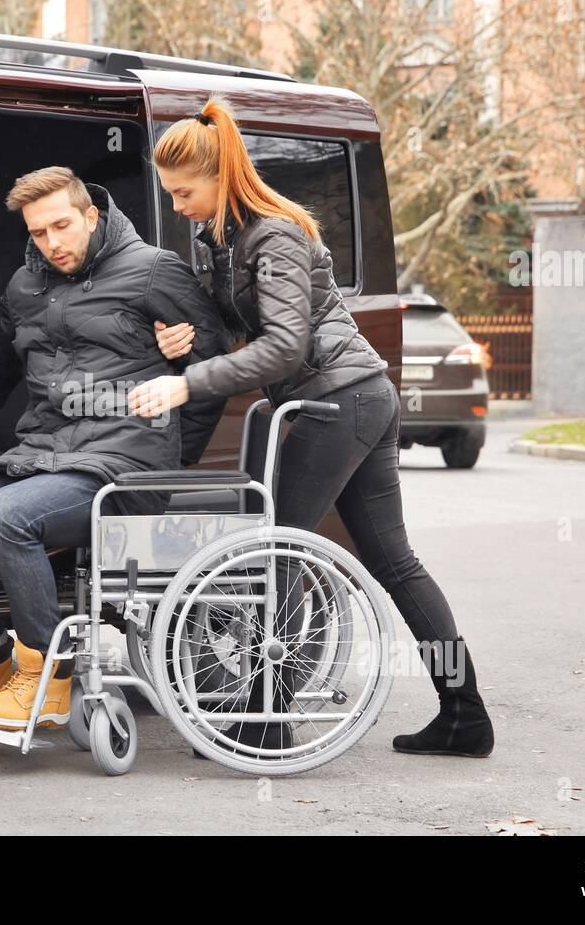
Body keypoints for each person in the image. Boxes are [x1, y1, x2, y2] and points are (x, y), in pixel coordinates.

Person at [127, 95, 495, 757]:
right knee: (390, 560)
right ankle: (464, 715)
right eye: (171, 194)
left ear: (219, 175)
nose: (177, 206)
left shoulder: (275, 235)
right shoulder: (221, 236)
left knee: (277, 552)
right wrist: (184, 348)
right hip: (349, 398)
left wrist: (186, 381)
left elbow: (286, 347)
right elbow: (228, 340)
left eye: (184, 192)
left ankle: (268, 718)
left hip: (340, 400)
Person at [0, 166, 229, 731]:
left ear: (91, 215)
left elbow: (210, 364)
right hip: (42, 451)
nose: (52, 243)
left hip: (122, 460)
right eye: (39, 233)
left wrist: (173, 462)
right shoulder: (24, 288)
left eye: (62, 226)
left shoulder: (154, 272)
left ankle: (46, 678)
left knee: (6, 518)